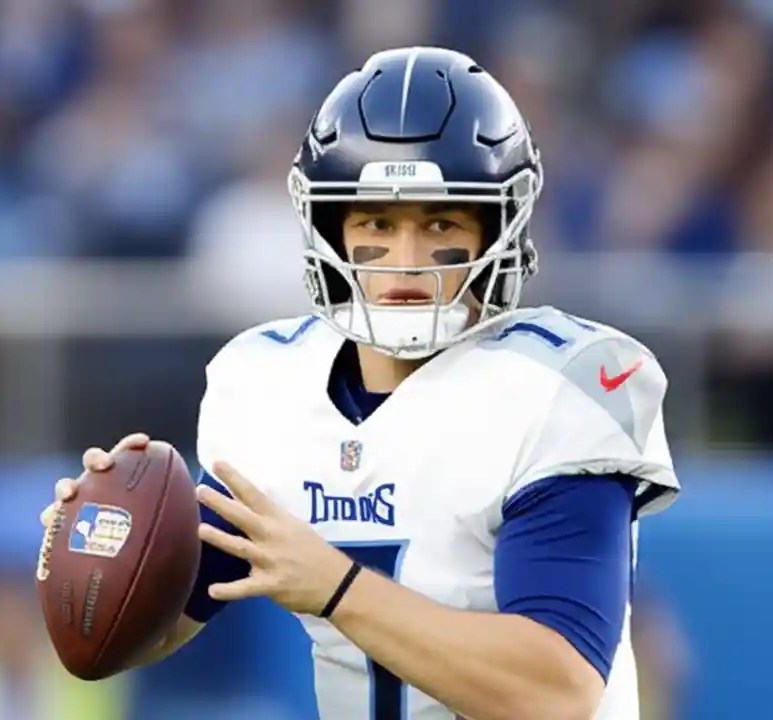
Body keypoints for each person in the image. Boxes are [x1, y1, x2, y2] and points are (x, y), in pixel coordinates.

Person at [40, 46, 680, 720]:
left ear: (499, 225)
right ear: (330, 230)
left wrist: (337, 587)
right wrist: (94, 553)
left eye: (440, 223)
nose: (407, 260)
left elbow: (555, 691)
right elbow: (146, 630)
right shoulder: (266, 384)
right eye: (377, 222)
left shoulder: (557, 388)